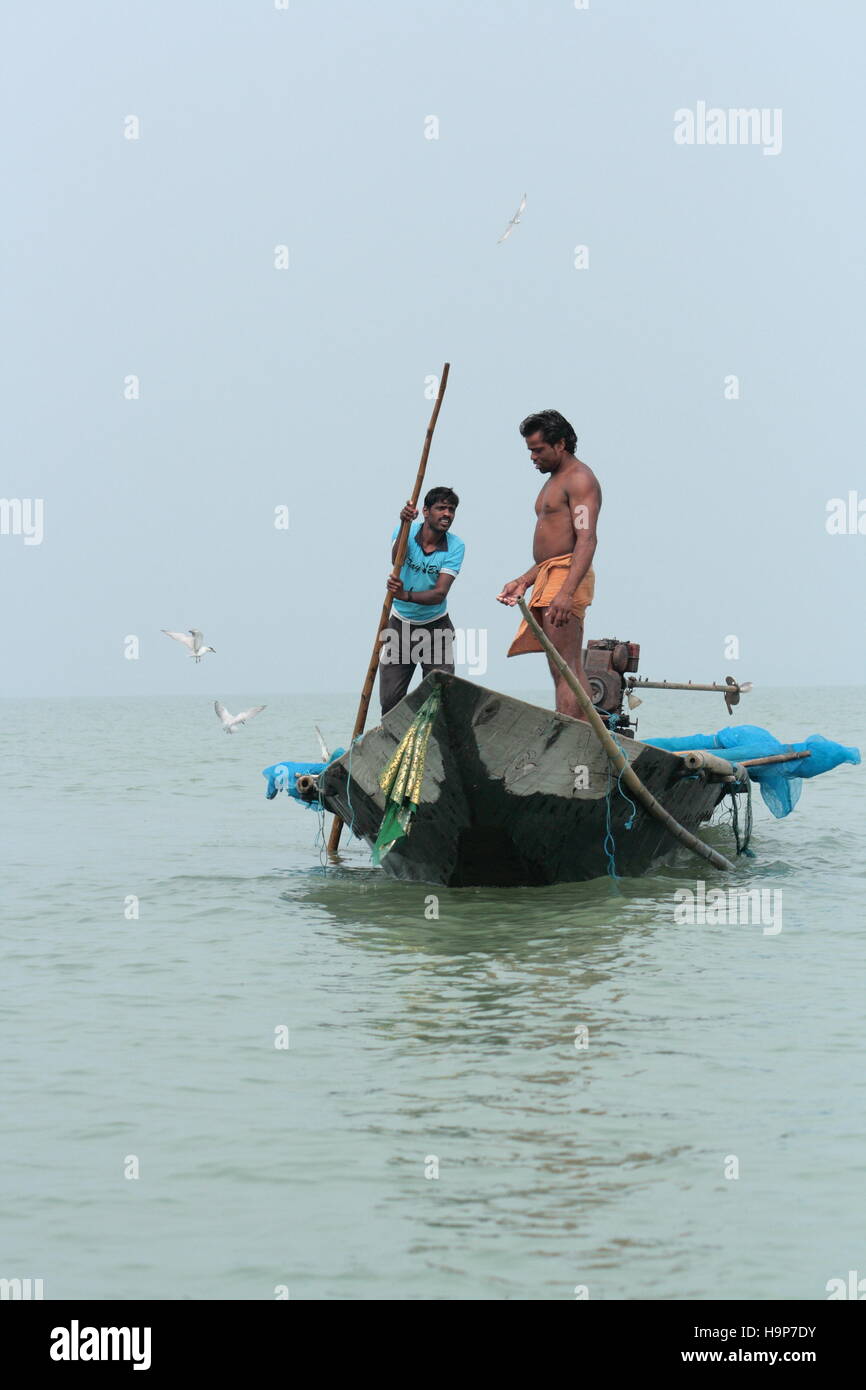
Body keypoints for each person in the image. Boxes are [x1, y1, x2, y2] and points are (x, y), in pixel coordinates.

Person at [496, 409, 601, 720]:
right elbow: (551, 550)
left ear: (561, 444)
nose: (532, 457)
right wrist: (525, 580)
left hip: (567, 575)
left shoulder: (580, 479)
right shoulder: (554, 481)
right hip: (548, 575)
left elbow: (586, 540)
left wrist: (566, 593)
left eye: (538, 450)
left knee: (566, 664)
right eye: (530, 450)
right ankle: (569, 726)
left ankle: (578, 735)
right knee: (558, 667)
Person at [379, 486, 465, 715]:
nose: (447, 514)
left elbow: (439, 593)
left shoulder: (456, 546)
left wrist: (405, 595)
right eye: (441, 508)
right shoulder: (405, 530)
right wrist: (404, 523)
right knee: (390, 702)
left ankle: (438, 746)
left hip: (436, 629)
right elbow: (396, 557)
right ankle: (394, 745)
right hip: (400, 626)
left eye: (451, 509)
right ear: (426, 511)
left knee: (440, 698)